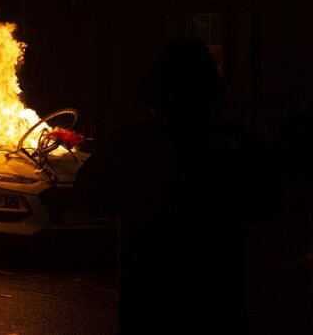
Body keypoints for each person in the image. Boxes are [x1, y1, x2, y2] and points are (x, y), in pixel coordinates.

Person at [75, 39, 278, 335]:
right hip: (219, 308)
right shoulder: (240, 143)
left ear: (155, 98)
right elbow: (268, 206)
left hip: (149, 310)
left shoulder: (131, 143)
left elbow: (90, 200)